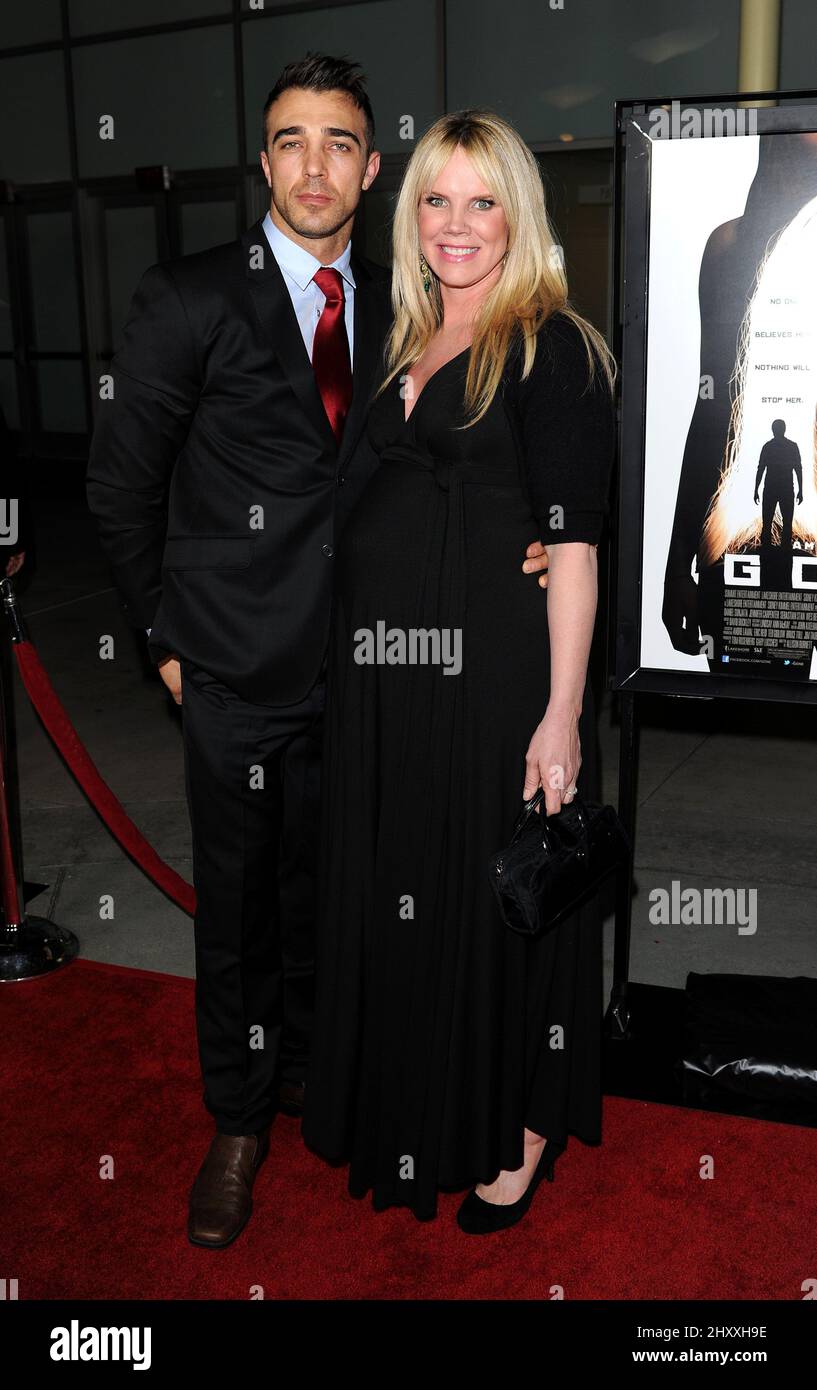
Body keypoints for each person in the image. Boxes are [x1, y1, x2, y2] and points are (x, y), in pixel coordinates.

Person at [86, 57, 550, 1250]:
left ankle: (315, 1070)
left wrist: (541, 547)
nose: (313, 167)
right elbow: (120, 487)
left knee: (334, 896)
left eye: (338, 144)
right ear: (263, 160)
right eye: (290, 141)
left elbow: (478, 451)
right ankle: (237, 1121)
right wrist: (166, 640)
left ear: (370, 166)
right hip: (234, 671)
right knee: (237, 908)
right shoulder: (189, 297)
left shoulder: (410, 296)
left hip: (375, 675)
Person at [301, 108, 617, 1231]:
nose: (456, 224)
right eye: (436, 199)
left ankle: (521, 1129)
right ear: (411, 213)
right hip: (390, 695)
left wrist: (562, 713)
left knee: (495, 905)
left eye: (483, 201)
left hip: (492, 691)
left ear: (518, 214)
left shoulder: (552, 345)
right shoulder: (404, 337)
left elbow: (573, 548)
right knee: (413, 900)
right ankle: (419, 1102)